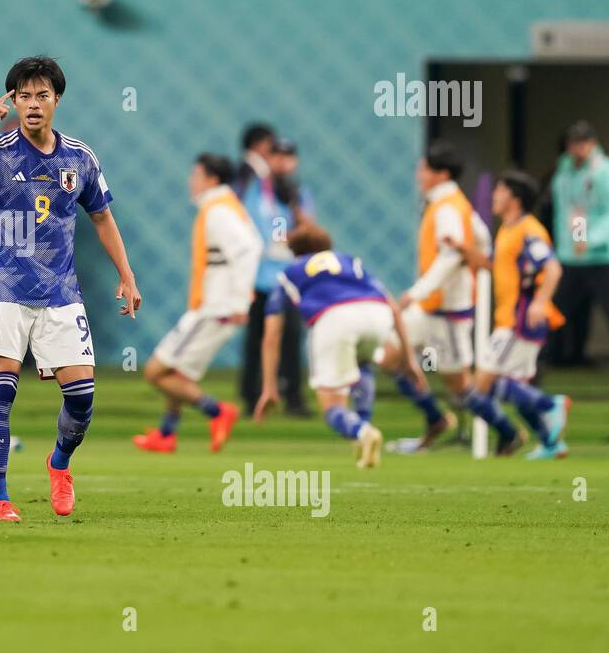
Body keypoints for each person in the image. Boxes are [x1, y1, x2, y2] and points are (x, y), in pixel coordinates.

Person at [0, 55, 142, 523]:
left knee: (82, 401)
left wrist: (127, 274)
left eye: (42, 95)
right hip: (5, 292)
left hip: (61, 295)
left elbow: (102, 217)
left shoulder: (79, 157)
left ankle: (59, 463)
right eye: (23, 95)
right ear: (12, 101)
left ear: (56, 99)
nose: (33, 104)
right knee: (0, 395)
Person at [255, 223, 423, 469]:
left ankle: (362, 431)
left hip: (334, 318)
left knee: (332, 407)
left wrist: (269, 386)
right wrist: (408, 358)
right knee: (363, 363)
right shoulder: (352, 263)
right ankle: (362, 435)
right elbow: (394, 308)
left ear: (295, 252)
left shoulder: (290, 272)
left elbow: (271, 335)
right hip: (376, 314)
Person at [132, 153, 259, 453]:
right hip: (214, 307)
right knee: (178, 373)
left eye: (197, 175)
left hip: (215, 309)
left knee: (155, 372)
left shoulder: (218, 211)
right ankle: (167, 433)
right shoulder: (221, 206)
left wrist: (241, 301)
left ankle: (217, 411)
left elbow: (248, 250)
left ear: (212, 179)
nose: (192, 181)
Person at [451, 171, 571, 459]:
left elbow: (553, 268)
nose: (494, 196)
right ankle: (550, 442)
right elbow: (499, 268)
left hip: (517, 321)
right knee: (513, 389)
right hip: (513, 320)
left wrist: (540, 302)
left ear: (514, 199)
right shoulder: (507, 229)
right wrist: (463, 250)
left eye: (500, 190)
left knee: (482, 385)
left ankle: (548, 405)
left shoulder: (529, 230)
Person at [378, 140, 490, 446]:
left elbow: (450, 255)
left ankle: (511, 429)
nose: (419, 174)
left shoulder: (448, 208)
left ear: (441, 174)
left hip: (446, 308)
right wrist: (477, 255)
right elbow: (482, 239)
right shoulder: (453, 203)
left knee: (459, 384)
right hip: (429, 308)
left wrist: (417, 291)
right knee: (388, 356)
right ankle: (435, 418)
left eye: (424, 168)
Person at [544, 121, 609, 394]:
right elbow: (567, 215)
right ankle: (531, 370)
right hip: (572, 260)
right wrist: (565, 247)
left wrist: (590, 240)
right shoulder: (564, 173)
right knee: (550, 314)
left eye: (584, 143)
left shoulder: (607, 172)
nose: (579, 148)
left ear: (593, 143)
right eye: (574, 143)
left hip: (606, 259)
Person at [239, 130, 310, 417]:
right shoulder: (256, 190)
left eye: (287, 157)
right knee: (255, 339)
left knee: (291, 338)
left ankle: (294, 398)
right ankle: (251, 398)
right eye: (276, 156)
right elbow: (247, 227)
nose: (282, 163)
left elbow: (309, 231)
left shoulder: (298, 193)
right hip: (258, 277)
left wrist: (296, 211)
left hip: (288, 278)